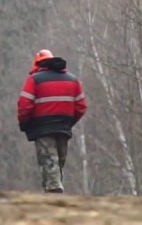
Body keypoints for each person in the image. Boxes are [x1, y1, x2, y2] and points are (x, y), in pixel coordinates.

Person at [17, 49, 86, 193]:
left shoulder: (34, 80)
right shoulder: (73, 80)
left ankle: (54, 194)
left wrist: (25, 123)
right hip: (63, 128)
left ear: (36, 64)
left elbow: (24, 104)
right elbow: (81, 106)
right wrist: (68, 121)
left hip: (43, 128)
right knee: (58, 164)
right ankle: (53, 191)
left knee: (50, 163)